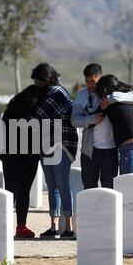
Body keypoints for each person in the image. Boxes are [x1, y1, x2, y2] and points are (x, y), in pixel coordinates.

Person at [71, 63, 133, 189]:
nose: (90, 85)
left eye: (93, 81)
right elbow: (74, 120)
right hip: (89, 151)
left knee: (109, 189)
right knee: (89, 189)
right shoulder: (81, 95)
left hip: (111, 150)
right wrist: (91, 119)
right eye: (87, 81)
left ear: (100, 77)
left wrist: (111, 98)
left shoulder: (110, 89)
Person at [30, 63, 78, 239]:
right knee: (51, 186)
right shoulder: (46, 93)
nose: (37, 84)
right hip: (46, 143)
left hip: (61, 143)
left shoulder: (58, 92)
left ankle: (69, 226)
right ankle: (54, 225)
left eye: (39, 81)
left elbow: (40, 114)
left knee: (62, 184)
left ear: (47, 79)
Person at [1, 85, 42, 239]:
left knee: (10, 192)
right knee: (24, 192)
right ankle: (21, 226)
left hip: (10, 157)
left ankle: (5, 226)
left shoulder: (10, 110)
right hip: (29, 157)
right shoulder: (35, 115)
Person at [96, 74, 133, 174]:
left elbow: (96, 115)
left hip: (131, 149)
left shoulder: (112, 102)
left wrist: (106, 101)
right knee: (128, 186)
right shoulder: (121, 100)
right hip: (131, 148)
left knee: (129, 186)